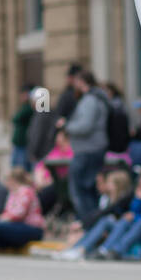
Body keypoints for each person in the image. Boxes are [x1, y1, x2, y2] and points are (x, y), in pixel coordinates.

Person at [61, 69, 110, 228]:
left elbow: (85, 126)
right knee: (89, 189)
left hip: (87, 150)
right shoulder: (99, 98)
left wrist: (66, 126)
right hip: (93, 149)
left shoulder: (90, 100)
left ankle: (89, 226)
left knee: (80, 191)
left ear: (81, 82)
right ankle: (93, 226)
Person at [10, 85, 34, 171]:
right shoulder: (24, 107)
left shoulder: (29, 108)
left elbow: (16, 118)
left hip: (24, 144)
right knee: (16, 168)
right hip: (18, 144)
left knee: (22, 169)